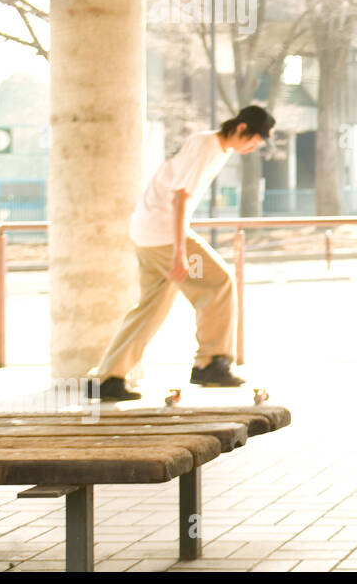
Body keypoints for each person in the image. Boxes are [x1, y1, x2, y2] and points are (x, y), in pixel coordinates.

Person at [91, 106, 276, 401]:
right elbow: (179, 196)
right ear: (241, 129)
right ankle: (210, 362)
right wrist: (180, 252)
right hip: (164, 236)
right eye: (254, 140)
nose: (254, 147)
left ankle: (109, 377)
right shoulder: (207, 146)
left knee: (152, 306)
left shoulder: (209, 145)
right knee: (218, 283)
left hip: (147, 231)